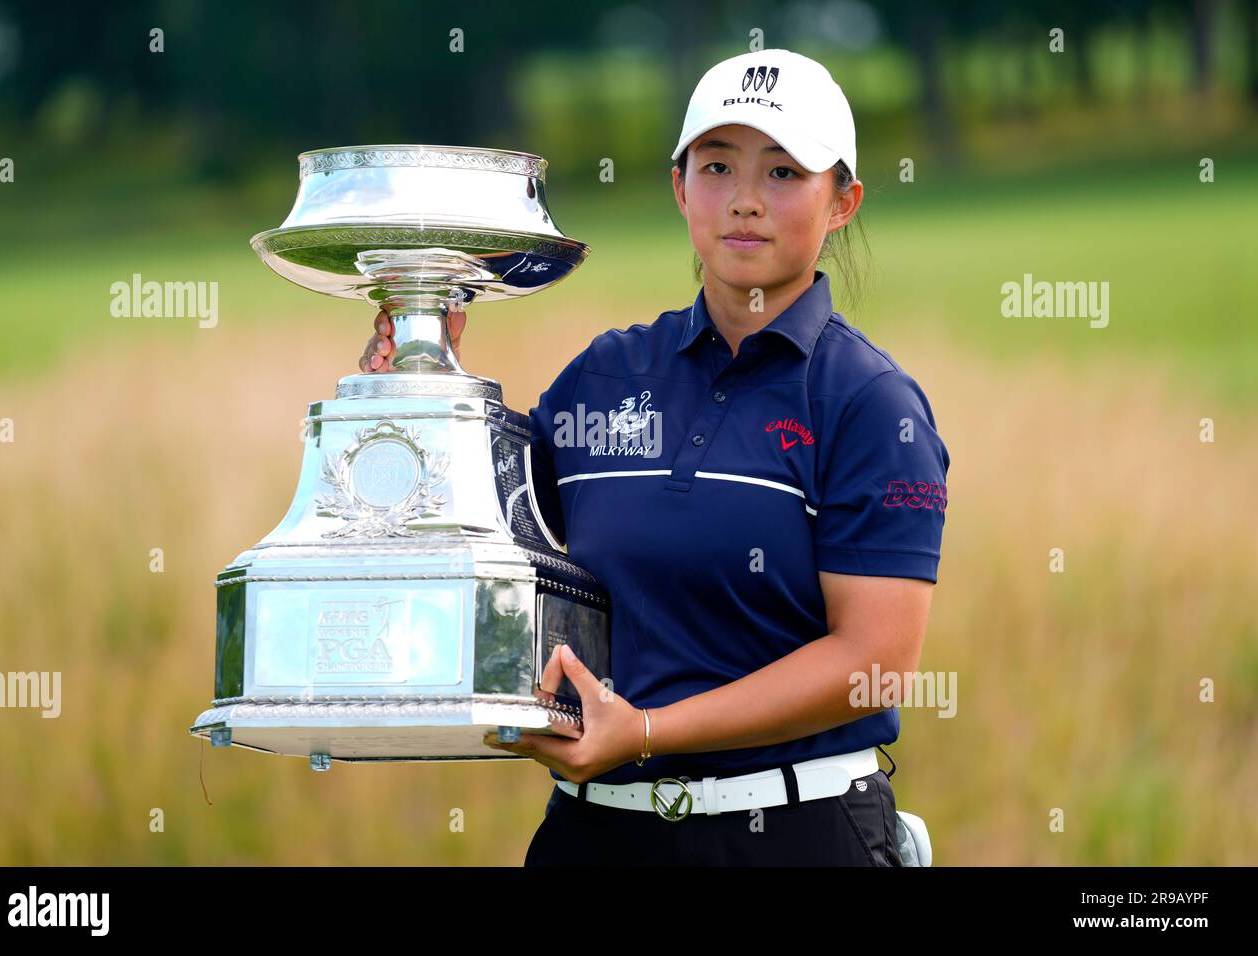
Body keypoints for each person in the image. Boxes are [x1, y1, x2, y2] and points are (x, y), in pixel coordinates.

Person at [359, 48, 949, 866]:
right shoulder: (606, 375)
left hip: (793, 837)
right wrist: (420, 393)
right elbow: (478, 526)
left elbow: (873, 663)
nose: (745, 200)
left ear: (842, 201)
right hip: (596, 837)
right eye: (717, 166)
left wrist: (646, 732)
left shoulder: (868, 403)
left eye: (784, 173)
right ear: (680, 187)